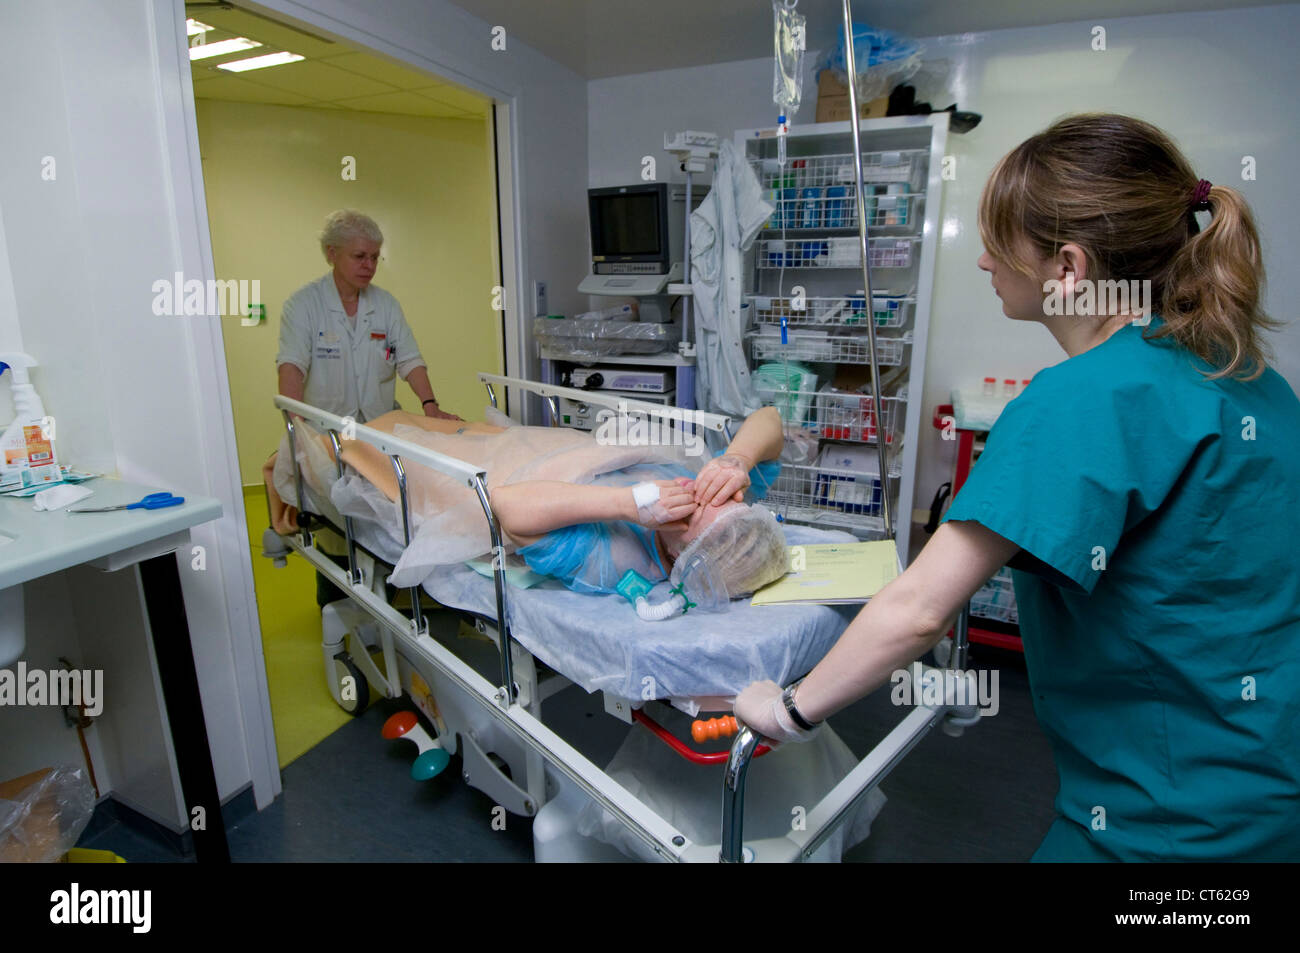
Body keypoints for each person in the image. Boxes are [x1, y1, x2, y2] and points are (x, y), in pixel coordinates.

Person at [736, 114, 1300, 862]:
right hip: (1269, 782)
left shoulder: (1084, 396)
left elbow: (917, 612)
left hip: (1170, 824)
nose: (982, 262)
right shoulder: (1251, 377)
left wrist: (786, 710)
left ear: (1067, 266)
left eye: (999, 241)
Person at [267, 405, 791, 611]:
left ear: (680, 557)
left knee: (388, 449)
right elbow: (770, 419)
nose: (706, 491)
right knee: (462, 428)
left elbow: (505, 506)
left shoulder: (612, 562)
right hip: (549, 446)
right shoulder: (730, 507)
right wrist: (739, 461)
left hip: (503, 477)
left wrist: (628, 503)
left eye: (698, 510)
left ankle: (289, 464)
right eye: (726, 496)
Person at [276, 209, 459, 605]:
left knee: (390, 512)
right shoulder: (303, 306)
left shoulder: (386, 306)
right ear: (331, 253)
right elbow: (291, 364)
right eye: (359, 256)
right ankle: (338, 604)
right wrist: (294, 423)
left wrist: (430, 405)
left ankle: (392, 599)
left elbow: (409, 359)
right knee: (337, 527)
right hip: (326, 435)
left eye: (375, 257)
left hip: (378, 429)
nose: (369, 265)